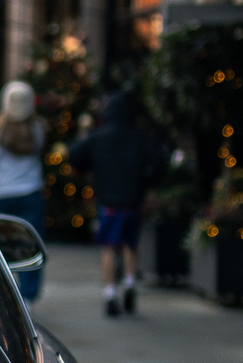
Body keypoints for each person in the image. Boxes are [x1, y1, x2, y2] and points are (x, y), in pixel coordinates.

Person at [67, 89, 168, 317]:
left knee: (109, 247)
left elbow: (74, 155)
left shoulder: (98, 136)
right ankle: (130, 283)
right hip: (133, 200)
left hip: (109, 202)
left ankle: (111, 292)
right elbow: (159, 162)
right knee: (130, 245)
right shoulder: (140, 136)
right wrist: (148, 183)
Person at [0, 81, 48, 302]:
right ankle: (28, 296)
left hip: (3, 195)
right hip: (31, 193)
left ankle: (7, 294)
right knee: (31, 247)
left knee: (2, 249)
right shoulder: (38, 129)